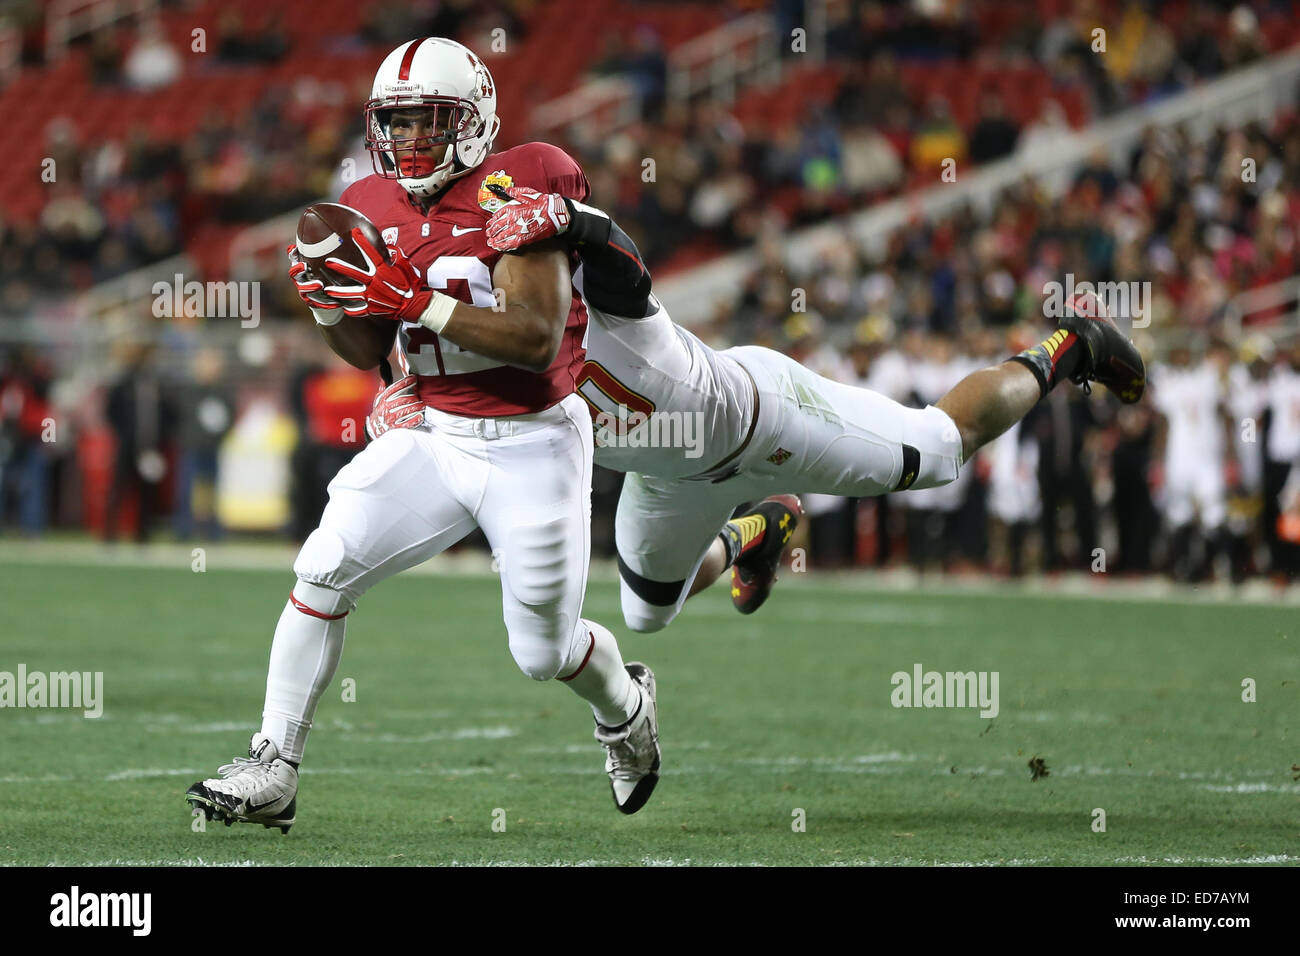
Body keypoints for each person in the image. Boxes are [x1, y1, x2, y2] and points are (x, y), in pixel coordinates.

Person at [187, 38, 661, 833]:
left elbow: (536, 336)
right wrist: (332, 304)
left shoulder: (523, 179)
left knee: (542, 652)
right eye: (395, 124)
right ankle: (275, 763)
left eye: (427, 122)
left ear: (473, 120)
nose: (407, 141)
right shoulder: (370, 200)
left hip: (533, 439)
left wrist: (407, 299)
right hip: (436, 433)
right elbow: (369, 349)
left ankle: (627, 707)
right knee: (324, 564)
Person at [370, 188, 1147, 634]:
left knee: (939, 451)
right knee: (644, 617)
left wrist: (576, 218)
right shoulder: (475, 360)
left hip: (761, 418)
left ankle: (1067, 348)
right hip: (666, 474)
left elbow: (620, 264)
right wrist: (401, 399)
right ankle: (758, 527)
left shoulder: (583, 302)